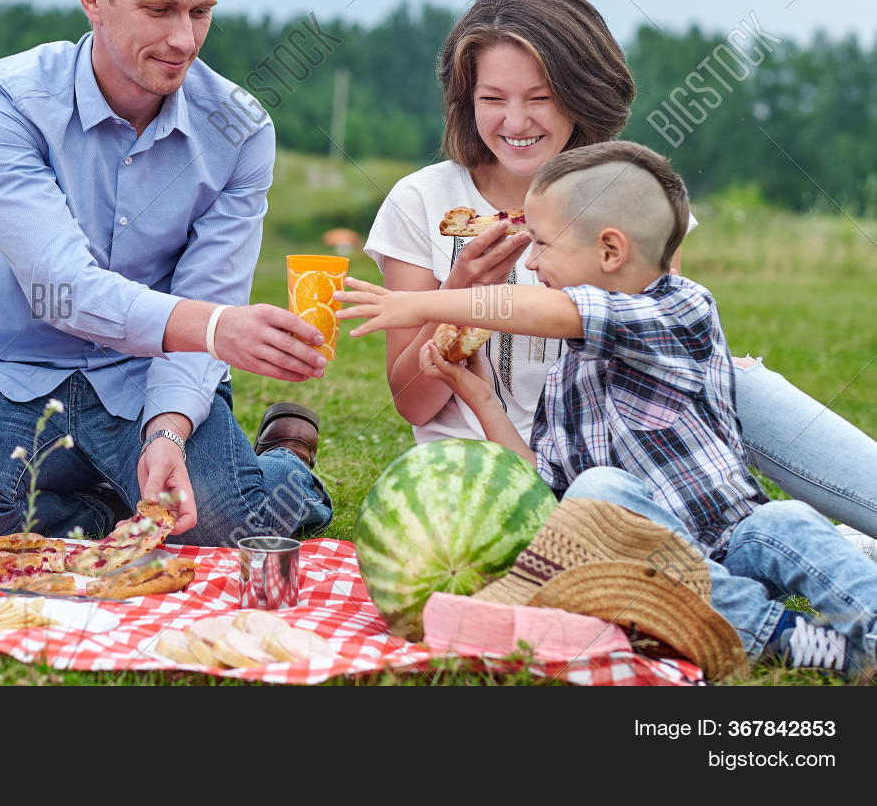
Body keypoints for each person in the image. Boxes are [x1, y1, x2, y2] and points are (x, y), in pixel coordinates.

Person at [364, 0, 877, 542]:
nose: (515, 122)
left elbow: (661, 349)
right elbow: (414, 404)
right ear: (468, 101)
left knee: (736, 382)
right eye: (492, 99)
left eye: (539, 98)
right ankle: (817, 544)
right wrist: (458, 296)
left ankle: (843, 531)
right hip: (491, 474)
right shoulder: (421, 201)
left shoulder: (633, 196)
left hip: (617, 454)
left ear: (582, 93)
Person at [340, 141, 877, 678]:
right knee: (593, 493)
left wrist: (420, 304)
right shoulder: (567, 377)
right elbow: (539, 483)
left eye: (544, 244)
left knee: (783, 519)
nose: (531, 260)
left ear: (610, 251)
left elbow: (548, 310)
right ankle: (784, 638)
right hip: (650, 579)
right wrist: (480, 395)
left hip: (730, 541)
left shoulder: (680, 308)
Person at [0, 0, 331, 546]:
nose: (184, 38)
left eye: (200, 11)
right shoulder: (8, 99)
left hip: (154, 378)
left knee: (223, 526)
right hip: (16, 372)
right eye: (159, 10)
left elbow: (210, 292)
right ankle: (111, 505)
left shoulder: (240, 130)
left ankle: (286, 469)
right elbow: (62, 290)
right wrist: (215, 328)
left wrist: (166, 431)